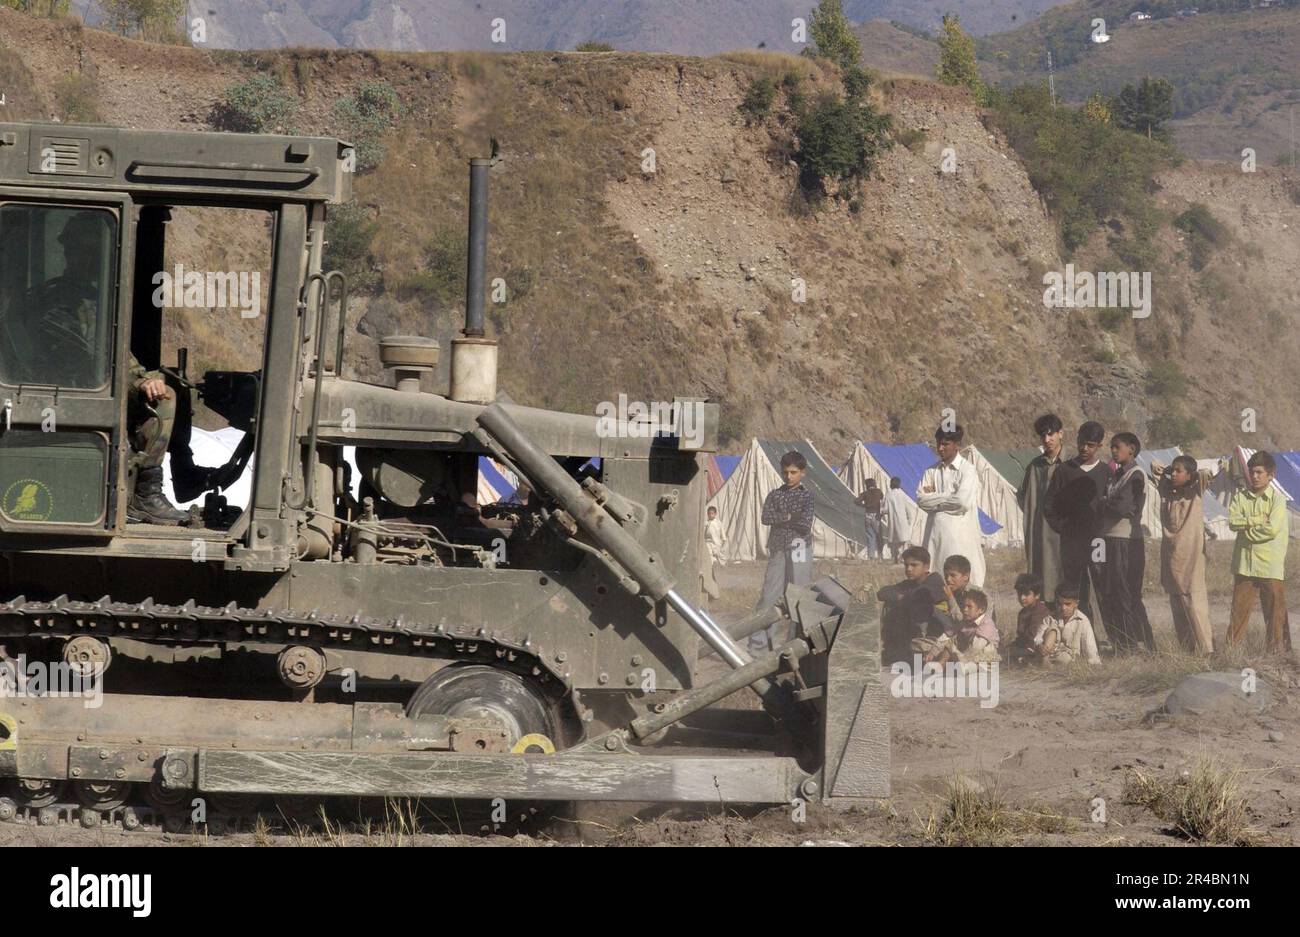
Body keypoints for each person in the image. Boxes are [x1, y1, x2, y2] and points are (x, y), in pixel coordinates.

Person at [35, 211, 189, 526]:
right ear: (72, 252)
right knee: (167, 399)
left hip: (90, 388)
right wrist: (141, 383)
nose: (90, 260)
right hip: (71, 395)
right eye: (84, 251)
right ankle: (145, 493)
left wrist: (145, 378)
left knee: (170, 387)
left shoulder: (93, 298)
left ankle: (166, 480)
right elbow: (86, 358)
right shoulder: (57, 302)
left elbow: (112, 354)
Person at [1045, 421, 1112, 650]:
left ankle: (1114, 639)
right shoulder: (1064, 470)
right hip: (1071, 541)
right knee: (1075, 589)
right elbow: (1050, 505)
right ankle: (1079, 641)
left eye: (1091, 445)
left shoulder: (1106, 472)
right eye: (1082, 443)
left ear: (1100, 445)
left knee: (1103, 588)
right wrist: (1063, 528)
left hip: (1098, 541)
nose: (1085, 449)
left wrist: (1102, 531)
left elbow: (1111, 506)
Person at [1226, 451, 1292, 653]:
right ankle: (1230, 654)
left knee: (1275, 612)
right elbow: (1232, 522)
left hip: (1269, 563)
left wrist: (1246, 530)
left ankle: (1279, 654)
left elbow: (1272, 529)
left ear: (1270, 475)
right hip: (1244, 563)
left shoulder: (1278, 500)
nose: (1254, 476)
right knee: (1238, 612)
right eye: (1252, 472)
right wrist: (1255, 522)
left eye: (1259, 472)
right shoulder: (1240, 497)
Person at [1094, 432, 1154, 652]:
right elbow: (1109, 505)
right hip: (1109, 539)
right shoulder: (1116, 476)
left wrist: (1104, 504)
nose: (1113, 451)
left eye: (1117, 447)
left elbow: (1122, 508)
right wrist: (1106, 503)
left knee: (1127, 593)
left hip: (1126, 542)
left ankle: (1140, 643)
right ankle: (1122, 642)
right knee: (1111, 592)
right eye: (1111, 447)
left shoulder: (1136, 475)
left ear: (1131, 449)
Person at [752, 450, 815, 652]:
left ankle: (795, 647)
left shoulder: (807, 496)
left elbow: (805, 524)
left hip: (799, 547)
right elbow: (766, 518)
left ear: (802, 473)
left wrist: (783, 517)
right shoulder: (775, 494)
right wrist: (790, 517)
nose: (789, 476)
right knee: (769, 596)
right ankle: (758, 649)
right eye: (785, 472)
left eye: (793, 472)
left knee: (799, 597)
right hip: (778, 548)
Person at [1152, 455, 1214, 655]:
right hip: (1172, 558)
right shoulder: (1167, 493)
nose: (1174, 474)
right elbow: (1154, 467)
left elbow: (1207, 473)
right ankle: (1188, 650)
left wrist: (1192, 476)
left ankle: (1207, 651)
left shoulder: (1195, 492)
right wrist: (1169, 471)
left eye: (1180, 471)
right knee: (1177, 604)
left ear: (1190, 475)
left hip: (1192, 560)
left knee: (1195, 604)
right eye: (1174, 470)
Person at [916, 423, 985, 587]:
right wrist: (948, 496)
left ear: (956, 445)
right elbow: (921, 499)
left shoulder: (967, 471)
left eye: (945, 444)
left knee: (963, 584)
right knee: (936, 581)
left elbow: (961, 502)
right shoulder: (931, 472)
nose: (940, 448)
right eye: (938, 444)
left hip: (960, 538)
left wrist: (936, 501)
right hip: (935, 536)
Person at [1018, 413, 1065, 604]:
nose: (1047, 440)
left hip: (1063, 535)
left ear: (1061, 433)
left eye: (1051, 434)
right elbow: (1023, 497)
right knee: (1041, 582)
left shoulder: (1071, 463)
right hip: (1039, 533)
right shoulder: (1035, 466)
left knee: (1063, 582)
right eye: (1043, 436)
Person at [876, 545, 947, 664]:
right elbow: (882, 592)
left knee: (913, 606)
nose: (909, 569)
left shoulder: (935, 581)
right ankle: (894, 648)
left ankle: (915, 652)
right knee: (890, 603)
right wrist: (901, 597)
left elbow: (920, 597)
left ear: (926, 566)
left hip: (934, 635)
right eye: (906, 565)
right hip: (912, 632)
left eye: (914, 565)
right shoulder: (909, 584)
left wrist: (903, 598)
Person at [913, 588, 999, 669]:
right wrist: (932, 652)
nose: (965, 609)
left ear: (981, 609)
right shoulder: (965, 621)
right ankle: (939, 665)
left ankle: (961, 668)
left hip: (983, 656)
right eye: (964, 606)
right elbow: (946, 636)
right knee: (950, 643)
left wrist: (961, 657)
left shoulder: (987, 624)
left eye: (969, 607)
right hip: (966, 652)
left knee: (975, 662)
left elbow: (976, 648)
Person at [1034, 587, 1101, 665]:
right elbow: (1038, 637)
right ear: (1055, 603)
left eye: (1068, 604)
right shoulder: (1050, 619)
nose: (1063, 608)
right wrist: (1040, 646)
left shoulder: (1082, 621)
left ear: (1076, 604)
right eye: (1059, 604)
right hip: (1048, 654)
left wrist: (1094, 663)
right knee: (1053, 630)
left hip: (1069, 659)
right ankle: (1044, 662)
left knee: (1065, 659)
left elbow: (1090, 647)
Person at [1007, 573, 1050, 665]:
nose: (1022, 598)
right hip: (1025, 646)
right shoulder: (1023, 612)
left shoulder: (1041, 611)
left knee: (1007, 654)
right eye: (1019, 593)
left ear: (1037, 595)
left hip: (1038, 648)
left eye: (1026, 594)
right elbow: (1021, 636)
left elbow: (1033, 638)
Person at [881, 476, 916, 562]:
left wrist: (880, 511)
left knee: (894, 542)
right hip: (902, 521)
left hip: (893, 522)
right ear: (899, 484)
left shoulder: (888, 495)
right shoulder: (902, 494)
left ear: (891, 484)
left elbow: (885, 509)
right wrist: (910, 519)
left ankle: (896, 557)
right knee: (903, 541)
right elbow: (908, 508)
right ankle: (902, 558)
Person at [700, 505, 726, 603]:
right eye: (709, 513)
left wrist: (719, 549)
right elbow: (702, 535)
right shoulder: (706, 523)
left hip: (716, 547)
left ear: (715, 514)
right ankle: (710, 591)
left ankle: (714, 591)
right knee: (708, 568)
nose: (711, 515)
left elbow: (723, 537)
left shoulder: (719, 524)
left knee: (713, 569)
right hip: (707, 546)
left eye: (712, 513)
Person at [855, 479, 884, 560]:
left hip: (867, 515)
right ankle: (880, 556)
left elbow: (856, 501)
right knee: (879, 536)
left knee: (870, 536)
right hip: (876, 515)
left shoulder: (865, 493)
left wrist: (864, 505)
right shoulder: (878, 491)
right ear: (874, 484)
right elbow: (883, 499)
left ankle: (871, 556)